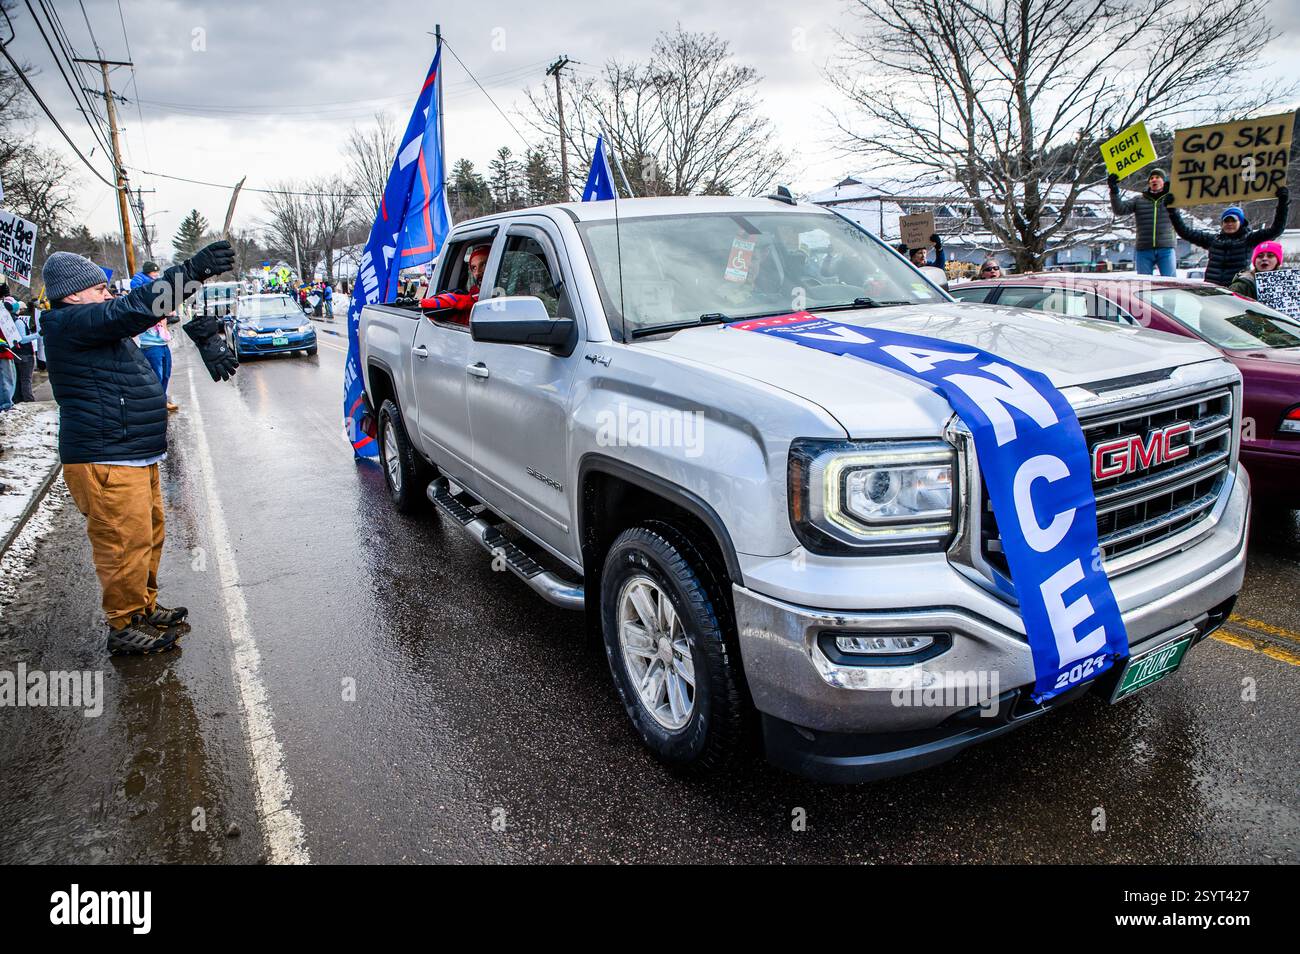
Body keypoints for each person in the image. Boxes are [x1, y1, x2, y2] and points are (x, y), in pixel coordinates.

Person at [40, 241, 239, 654]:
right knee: (122, 544)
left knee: (147, 535)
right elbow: (133, 308)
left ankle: (142, 607)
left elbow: (142, 313)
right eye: (99, 289)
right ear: (74, 294)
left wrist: (200, 325)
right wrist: (192, 271)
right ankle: (124, 623)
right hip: (105, 457)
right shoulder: (72, 322)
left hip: (130, 452)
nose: (107, 294)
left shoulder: (93, 322)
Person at [1169, 188, 1289, 287]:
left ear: (1240, 222)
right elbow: (1184, 232)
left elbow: (1276, 230)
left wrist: (1283, 204)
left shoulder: (1249, 239)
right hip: (1212, 291)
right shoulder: (1213, 240)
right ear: (1222, 223)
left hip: (1236, 292)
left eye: (1233, 220)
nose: (1229, 224)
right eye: (1226, 221)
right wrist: (1173, 211)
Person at [1108, 167, 1177, 276]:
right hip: (1144, 249)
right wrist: (1114, 191)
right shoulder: (1139, 200)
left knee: (1170, 282)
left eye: (1158, 177)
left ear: (1164, 181)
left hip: (1166, 248)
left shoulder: (1171, 199)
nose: (1154, 180)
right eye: (1151, 178)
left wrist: (1170, 192)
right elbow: (1119, 209)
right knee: (1144, 285)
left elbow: (1187, 197)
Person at [131, 262, 178, 412]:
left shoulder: (158, 296)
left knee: (165, 373)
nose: (156, 275)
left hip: (162, 342)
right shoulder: (142, 296)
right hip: (151, 345)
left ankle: (162, 399)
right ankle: (156, 404)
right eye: (154, 273)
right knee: (156, 376)